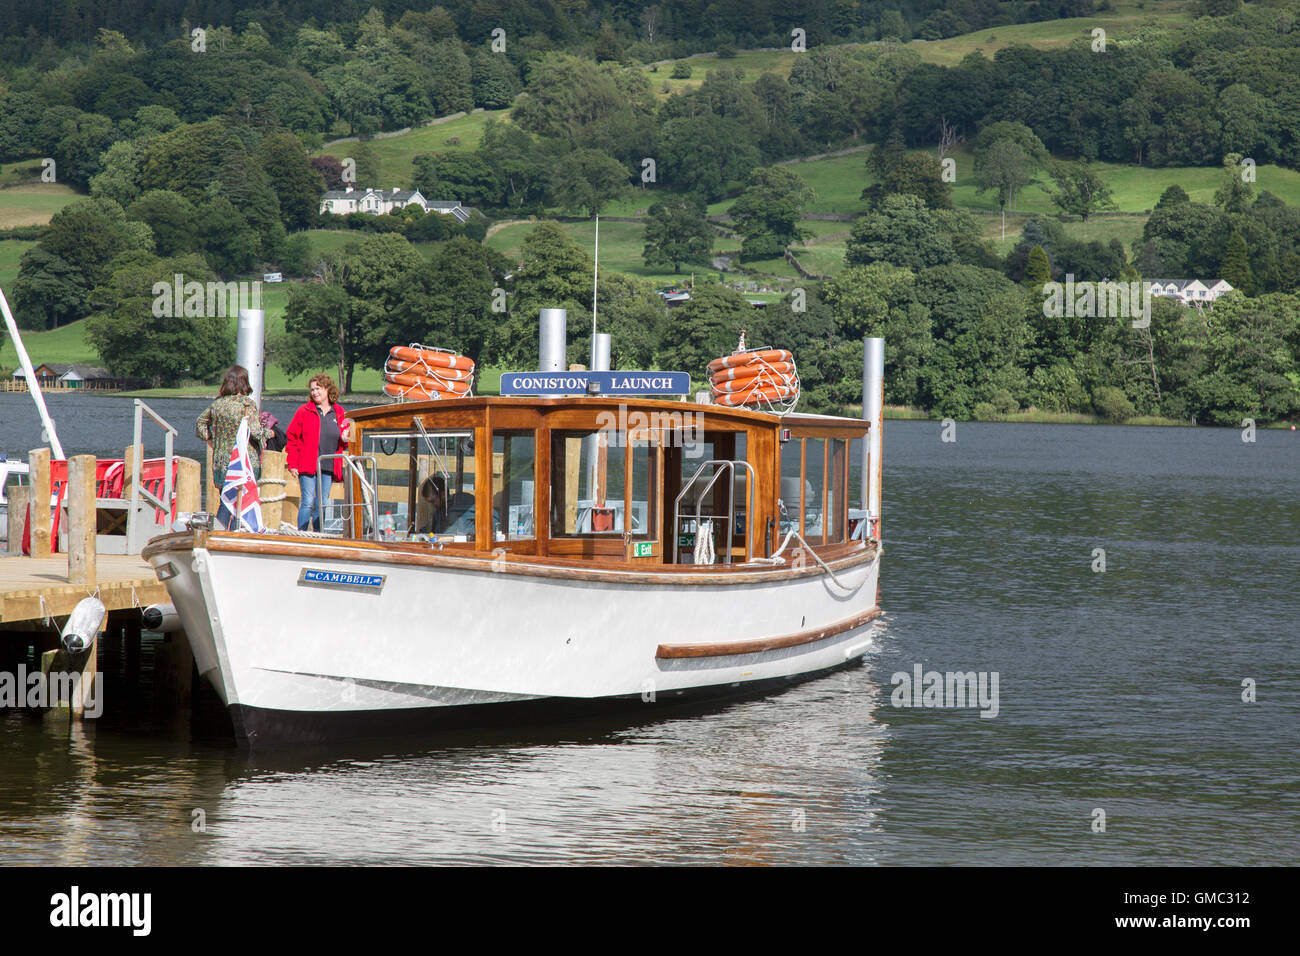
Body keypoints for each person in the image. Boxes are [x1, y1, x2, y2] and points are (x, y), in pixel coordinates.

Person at [196, 365, 272, 530]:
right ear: (244, 383)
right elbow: (256, 432)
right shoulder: (247, 404)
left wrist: (209, 437)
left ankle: (224, 531)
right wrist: (271, 433)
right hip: (243, 461)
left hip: (221, 461)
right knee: (236, 501)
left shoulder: (217, 404)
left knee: (226, 497)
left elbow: (200, 423)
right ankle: (221, 533)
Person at [286, 374, 353, 531]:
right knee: (308, 502)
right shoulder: (303, 411)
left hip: (328, 465)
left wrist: (347, 437)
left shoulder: (339, 411)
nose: (315, 392)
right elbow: (292, 438)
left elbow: (346, 436)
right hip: (307, 464)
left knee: (321, 503)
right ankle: (301, 533)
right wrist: (293, 463)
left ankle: (318, 534)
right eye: (312, 389)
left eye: (318, 388)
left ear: (327, 389)